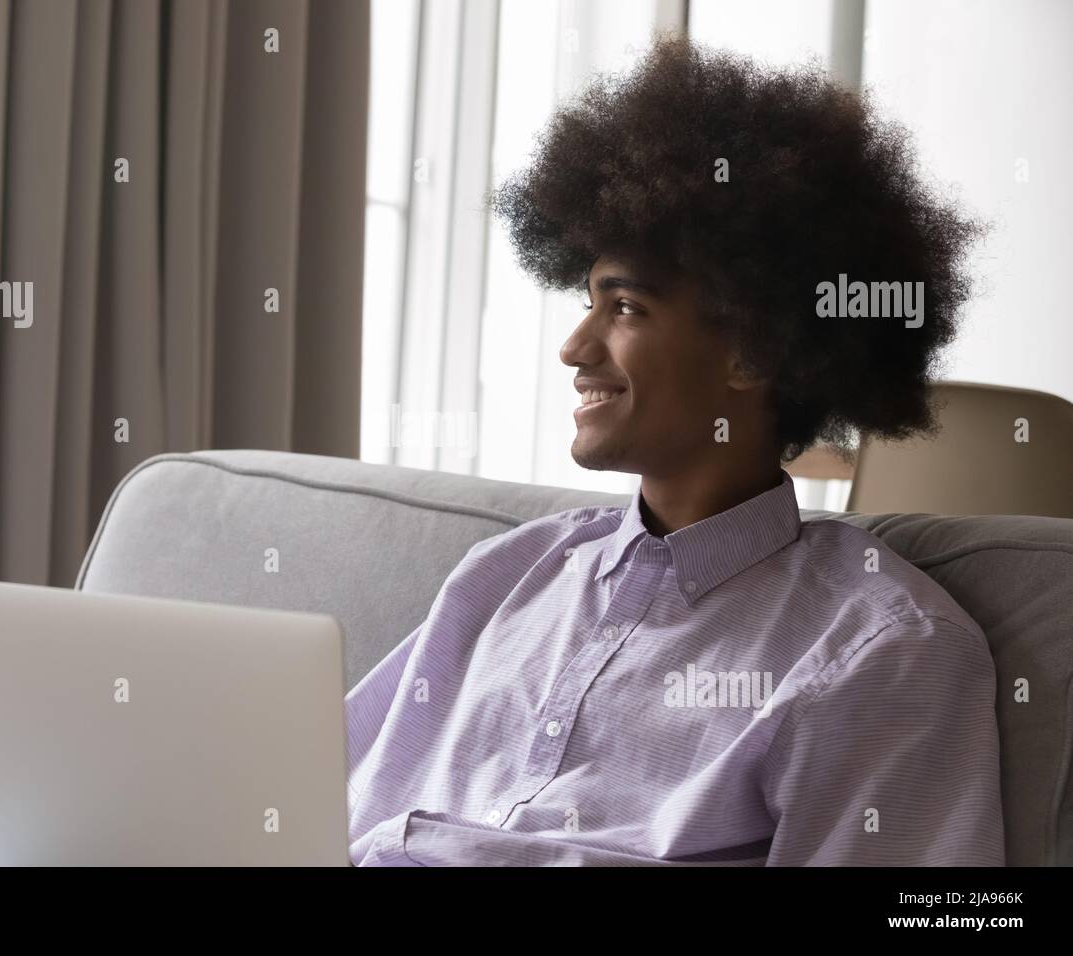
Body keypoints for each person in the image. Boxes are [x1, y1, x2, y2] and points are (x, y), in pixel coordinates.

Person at [345, 36, 1004, 866]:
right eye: (587, 302)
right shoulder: (503, 578)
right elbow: (300, 803)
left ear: (754, 353)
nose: (575, 347)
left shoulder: (883, 647)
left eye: (624, 307)